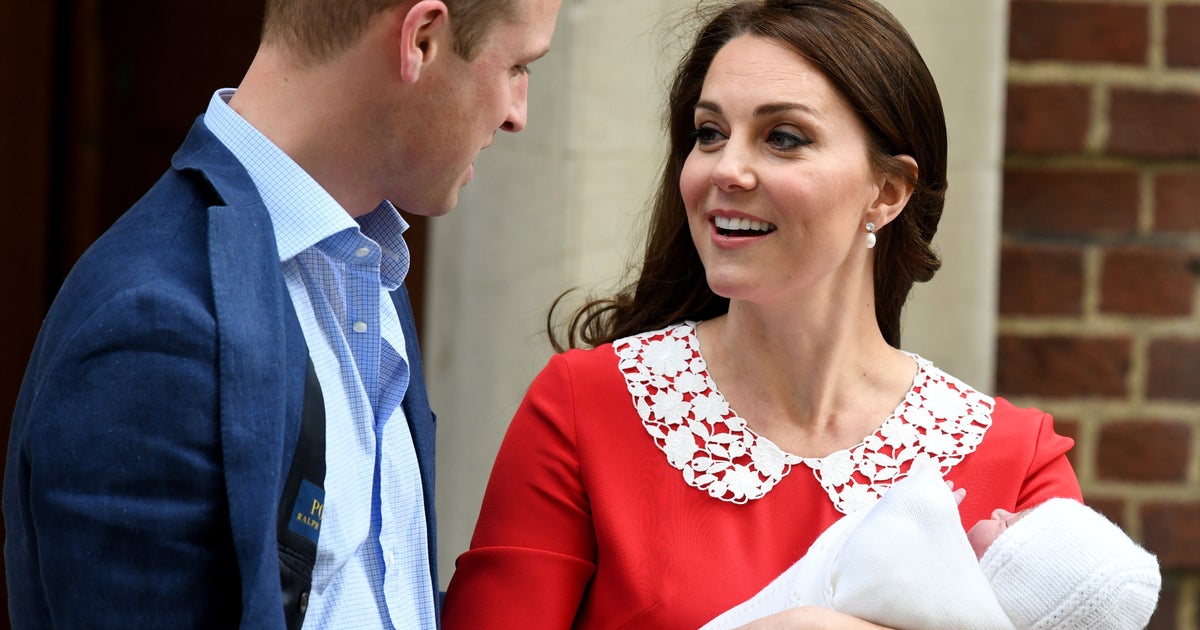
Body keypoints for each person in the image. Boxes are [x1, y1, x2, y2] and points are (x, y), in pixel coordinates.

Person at [440, 0, 1083, 628]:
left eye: (783, 137)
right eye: (709, 133)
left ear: (886, 192)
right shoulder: (585, 406)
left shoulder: (1017, 464)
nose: (727, 169)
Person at [4, 0, 562, 628]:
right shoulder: (152, 325)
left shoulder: (366, 260)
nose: (518, 113)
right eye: (518, 65)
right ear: (422, 40)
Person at [700, 469, 1161, 630]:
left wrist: (927, 511)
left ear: (1014, 579)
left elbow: (881, 557)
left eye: (1014, 525)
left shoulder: (940, 597)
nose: (1002, 511)